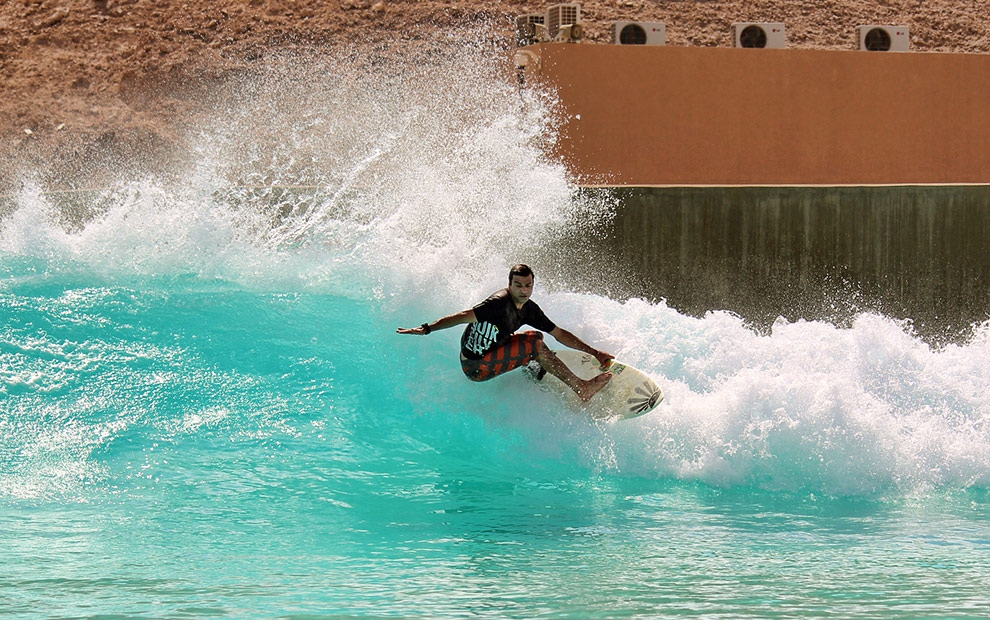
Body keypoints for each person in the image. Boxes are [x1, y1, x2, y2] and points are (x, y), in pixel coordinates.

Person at [397, 264, 613, 402]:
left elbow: (559, 333)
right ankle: (581, 388)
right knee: (534, 346)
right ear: (509, 285)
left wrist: (595, 352)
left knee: (536, 337)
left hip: (493, 350)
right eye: (518, 285)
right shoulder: (498, 304)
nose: (524, 290)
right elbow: (461, 316)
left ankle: (534, 370)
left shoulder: (529, 309)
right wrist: (427, 329)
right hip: (475, 367)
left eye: (528, 285)